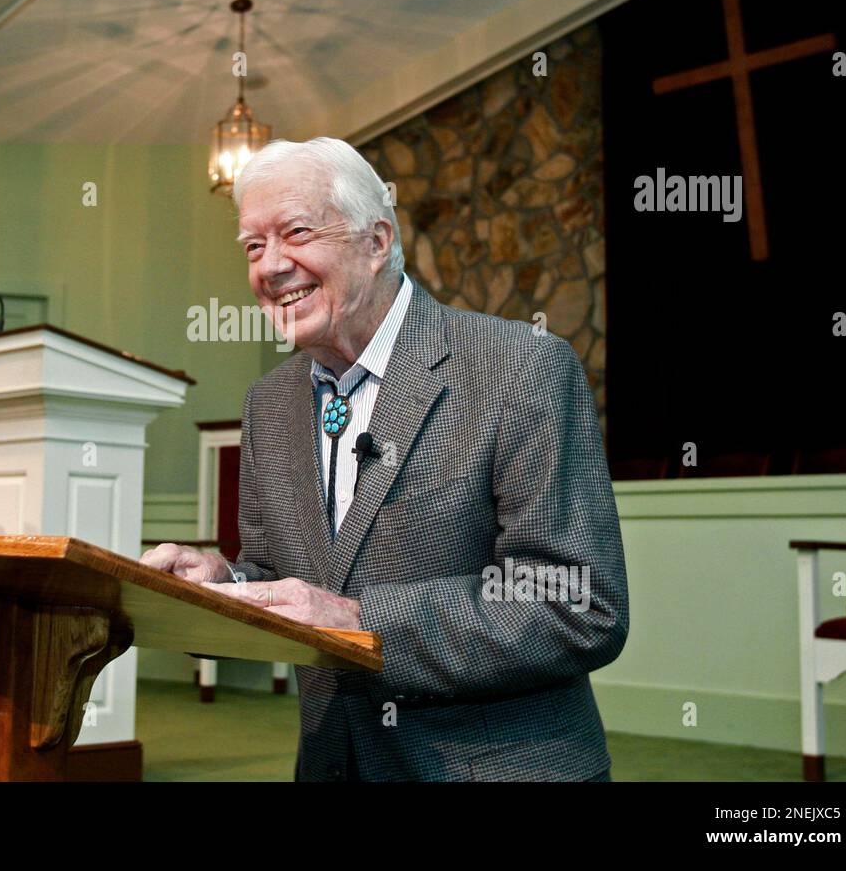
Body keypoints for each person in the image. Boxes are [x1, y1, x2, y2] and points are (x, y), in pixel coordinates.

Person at [142, 137, 628, 781]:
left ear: (376, 242)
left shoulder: (521, 368)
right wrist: (223, 586)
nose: (270, 267)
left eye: (295, 232)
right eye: (253, 247)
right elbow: (282, 576)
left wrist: (356, 621)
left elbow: (577, 605)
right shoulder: (268, 402)